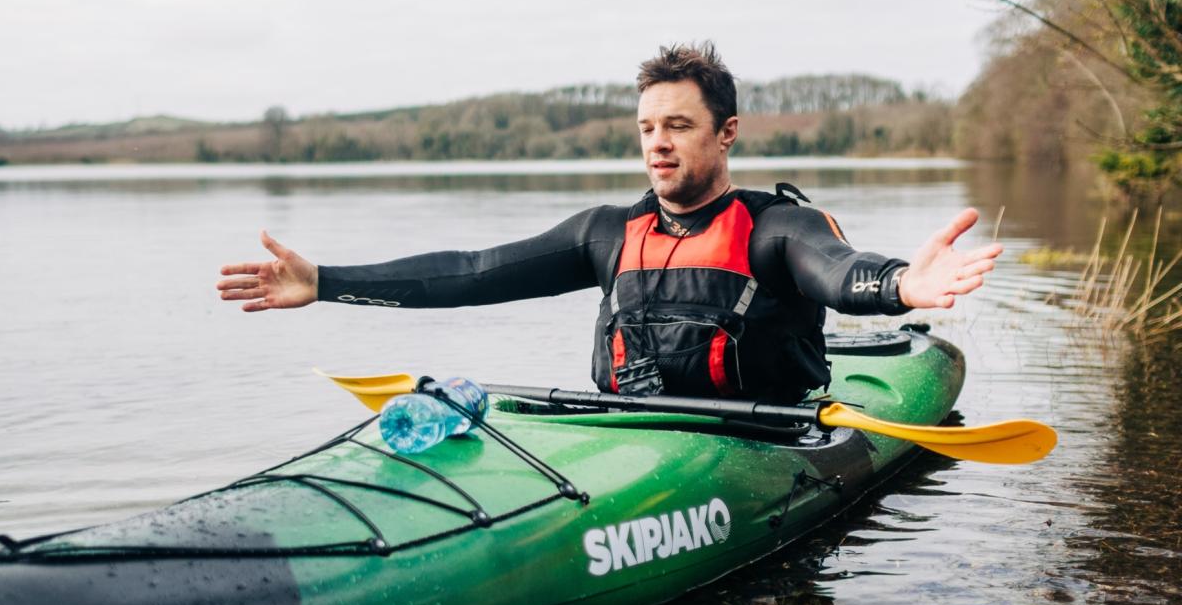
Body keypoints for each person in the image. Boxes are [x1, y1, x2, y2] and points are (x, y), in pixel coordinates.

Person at [217, 43, 1001, 403]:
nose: (657, 142)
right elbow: (473, 271)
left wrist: (901, 284)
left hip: (765, 438)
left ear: (726, 133)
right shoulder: (605, 233)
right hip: (628, 423)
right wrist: (325, 284)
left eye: (679, 125)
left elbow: (838, 270)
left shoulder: (775, 230)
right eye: (646, 126)